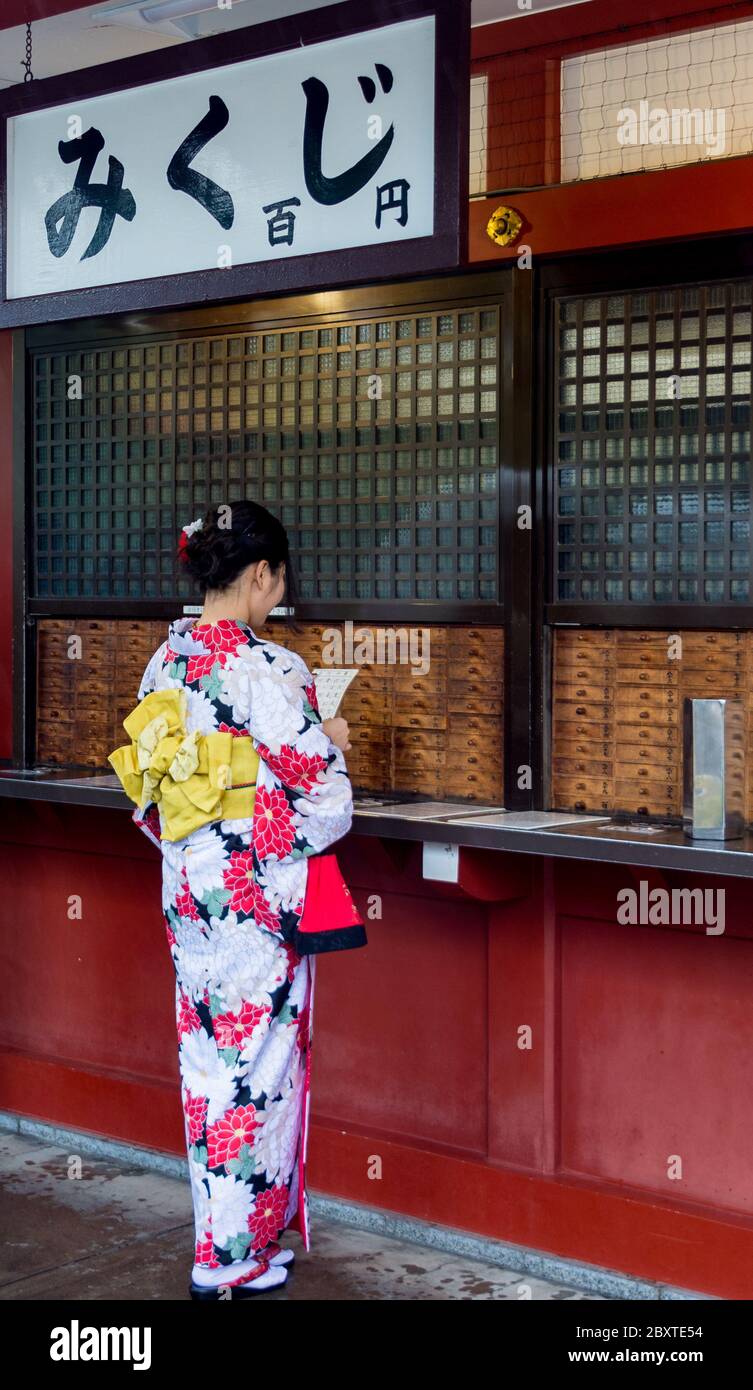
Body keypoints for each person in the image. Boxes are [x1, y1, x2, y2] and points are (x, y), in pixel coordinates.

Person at [108, 501, 362, 1299]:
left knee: (207, 1066)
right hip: (258, 907)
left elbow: (148, 796)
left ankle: (230, 1247)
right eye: (277, 581)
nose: (278, 595)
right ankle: (228, 1260)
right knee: (258, 1068)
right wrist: (335, 741)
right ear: (261, 575)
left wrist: (204, 844)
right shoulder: (272, 670)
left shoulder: (164, 663)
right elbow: (327, 806)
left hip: (191, 898)